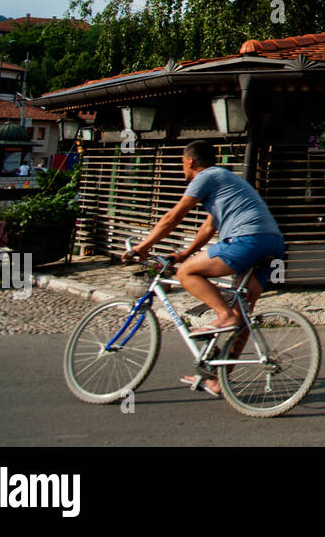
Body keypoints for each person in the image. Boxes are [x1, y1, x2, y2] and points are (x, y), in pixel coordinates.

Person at [121, 139, 286, 397]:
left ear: (190, 161)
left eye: (181, 163)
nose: (182, 168)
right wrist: (185, 252)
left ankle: (222, 314)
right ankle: (220, 380)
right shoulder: (227, 180)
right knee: (242, 312)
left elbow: (173, 217)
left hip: (247, 239)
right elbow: (209, 227)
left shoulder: (205, 176)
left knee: (185, 272)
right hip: (273, 243)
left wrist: (142, 247)